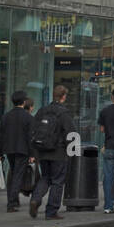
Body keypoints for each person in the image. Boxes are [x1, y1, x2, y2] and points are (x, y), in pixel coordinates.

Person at [29, 85, 76, 219]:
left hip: (43, 151)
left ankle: (35, 199)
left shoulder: (42, 111)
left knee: (45, 178)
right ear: (63, 97)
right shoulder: (63, 113)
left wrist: (35, 152)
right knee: (57, 181)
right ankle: (51, 212)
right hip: (59, 152)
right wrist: (73, 152)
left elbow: (33, 130)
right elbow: (71, 133)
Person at [0, 90, 36, 212]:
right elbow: (30, 138)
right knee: (17, 176)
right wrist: (32, 154)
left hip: (9, 150)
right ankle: (12, 203)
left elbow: (1, 136)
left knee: (14, 174)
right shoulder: (28, 118)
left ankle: (13, 201)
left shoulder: (6, 116)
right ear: (24, 102)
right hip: (22, 150)